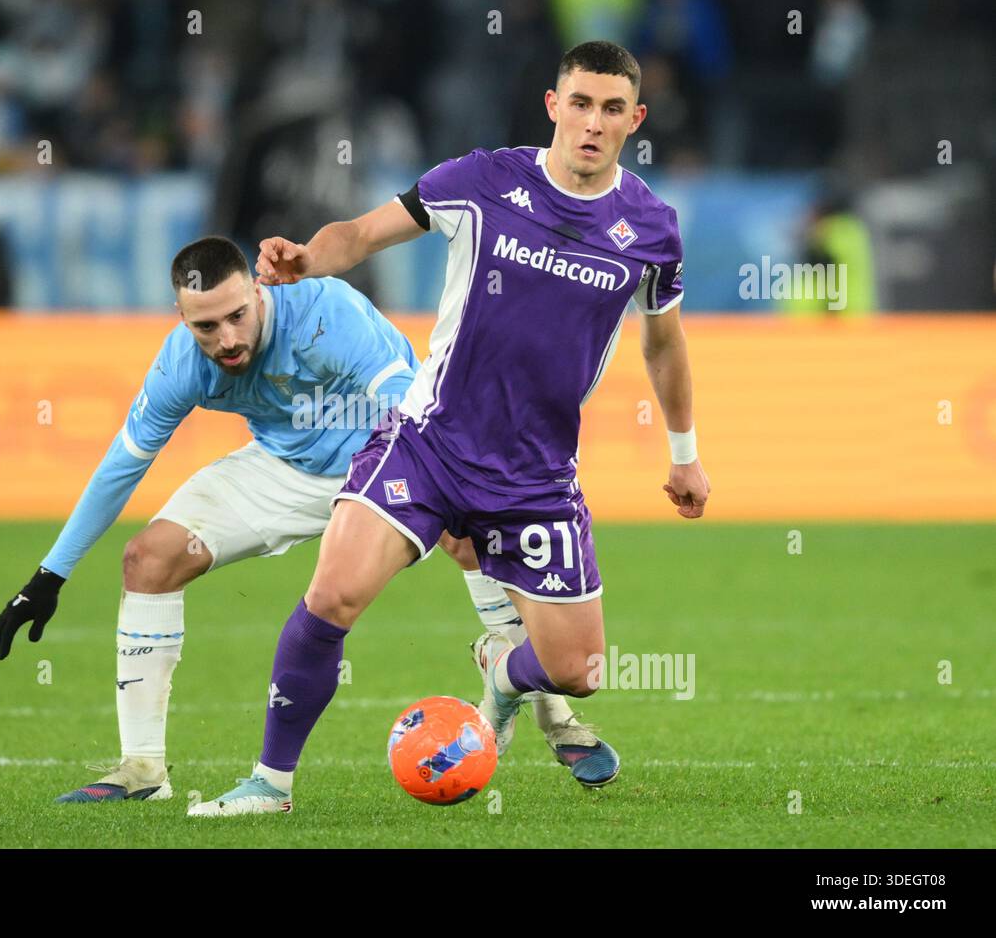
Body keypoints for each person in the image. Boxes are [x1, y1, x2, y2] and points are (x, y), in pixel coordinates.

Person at [190, 41, 709, 817]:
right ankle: (270, 783)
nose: (592, 123)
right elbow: (363, 233)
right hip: (429, 445)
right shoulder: (483, 181)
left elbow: (662, 341)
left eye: (610, 109)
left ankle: (503, 675)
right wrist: (307, 257)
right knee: (333, 595)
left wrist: (684, 454)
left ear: (634, 120)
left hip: (536, 476)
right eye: (579, 104)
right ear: (552, 106)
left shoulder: (652, 229)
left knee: (579, 670)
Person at [0, 234, 617, 803]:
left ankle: (554, 714)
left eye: (238, 316)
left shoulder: (328, 316)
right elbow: (121, 468)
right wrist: (51, 575)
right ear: (182, 320)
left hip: (388, 450)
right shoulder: (182, 364)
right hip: (280, 467)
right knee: (147, 560)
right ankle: (143, 771)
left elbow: (406, 404)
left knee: (468, 539)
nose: (227, 340)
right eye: (206, 326)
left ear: (260, 292)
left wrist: (448, 494)